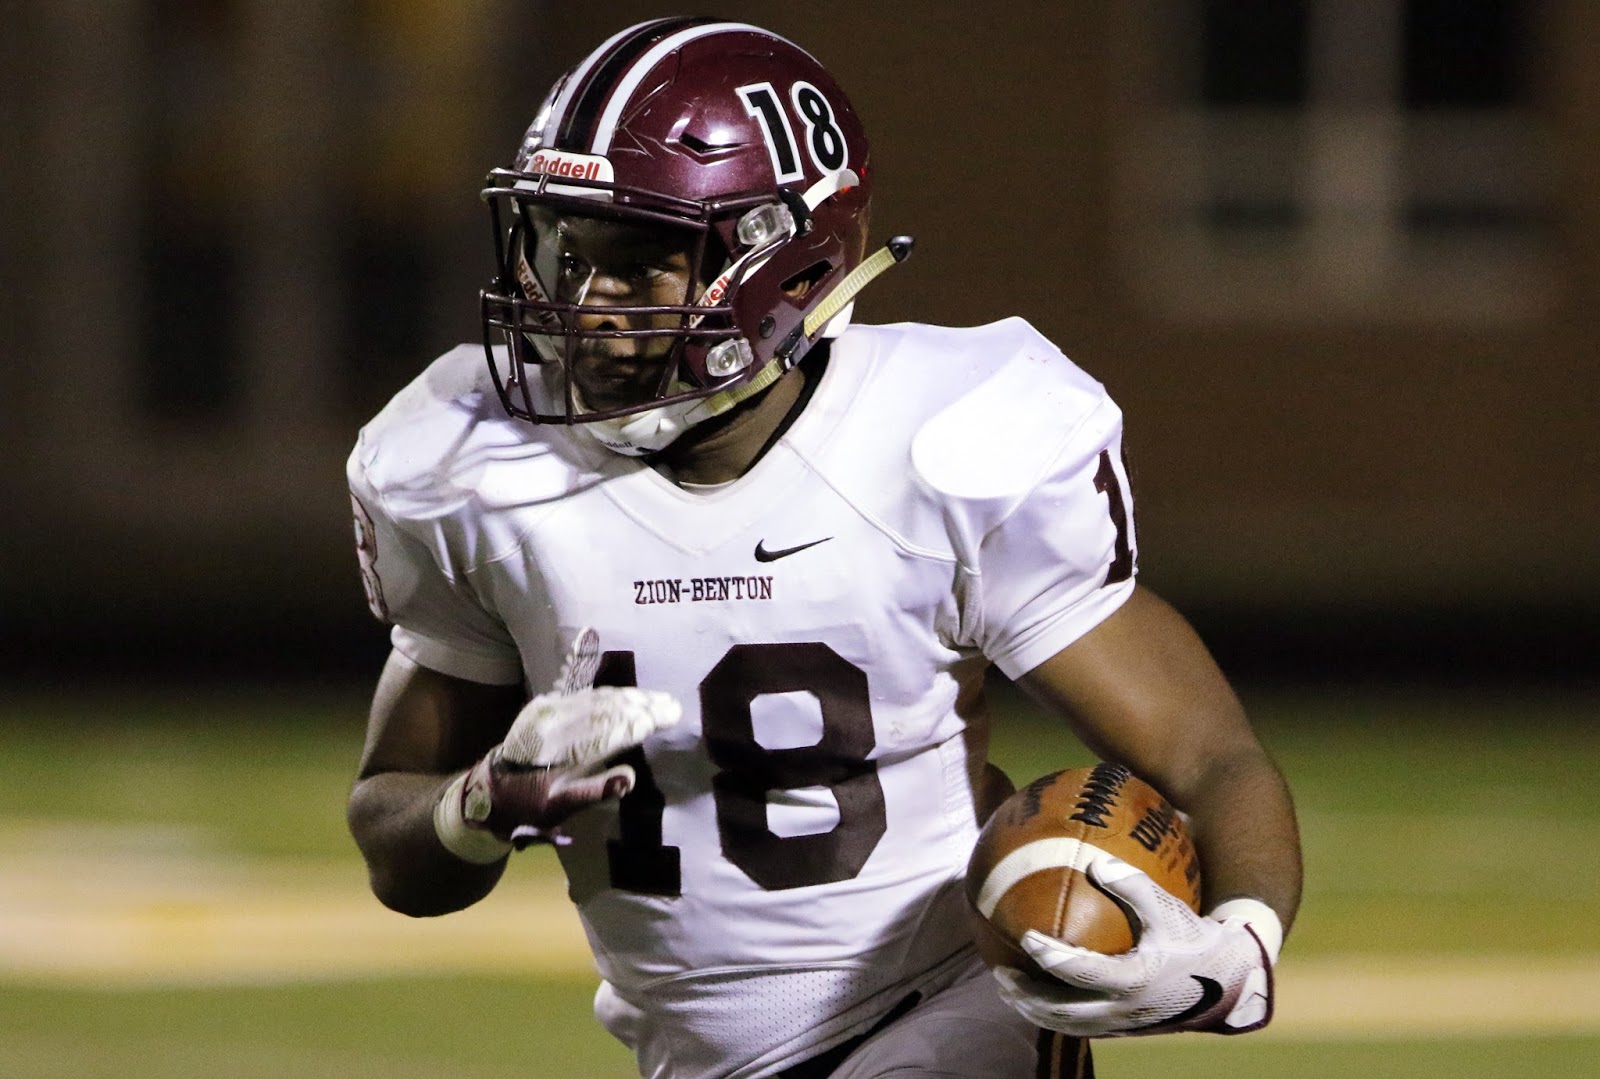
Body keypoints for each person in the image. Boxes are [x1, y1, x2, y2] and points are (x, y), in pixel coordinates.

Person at [345, 16, 1302, 1079]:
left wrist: (1239, 946)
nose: (584, 304)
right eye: (562, 252)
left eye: (639, 262)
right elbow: (395, 834)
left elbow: (1205, 755)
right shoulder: (475, 469)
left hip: (941, 1017)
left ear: (786, 267)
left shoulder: (938, 445)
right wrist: (481, 801)